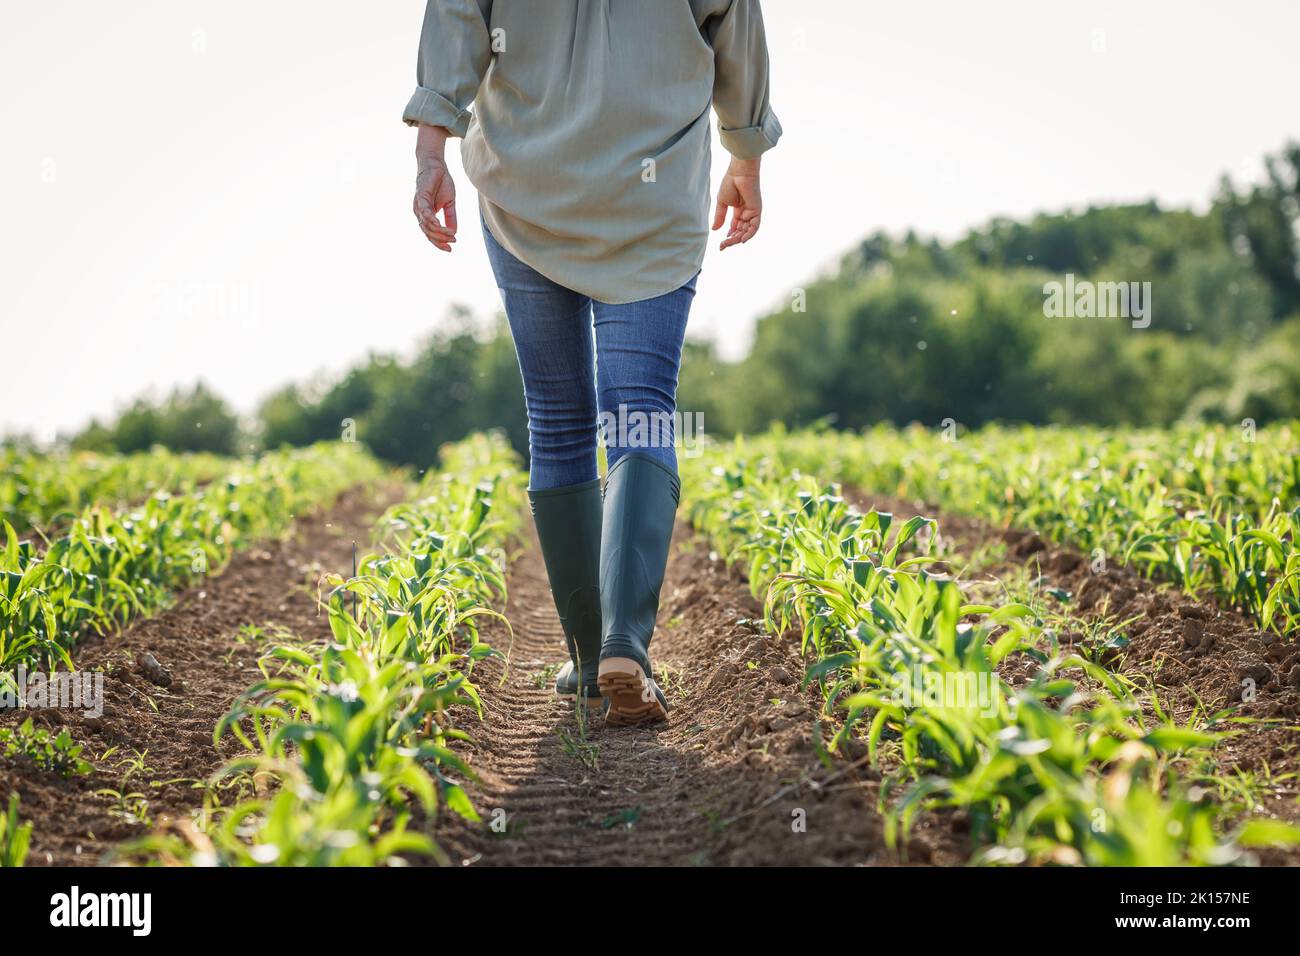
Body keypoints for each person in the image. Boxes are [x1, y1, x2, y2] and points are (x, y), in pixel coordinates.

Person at [404, 0, 781, 726]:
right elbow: (736, 24)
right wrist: (746, 153)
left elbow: (457, 17)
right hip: (656, 186)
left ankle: (585, 664)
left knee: (559, 419)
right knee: (639, 408)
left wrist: (430, 153)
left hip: (527, 186)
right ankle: (624, 647)